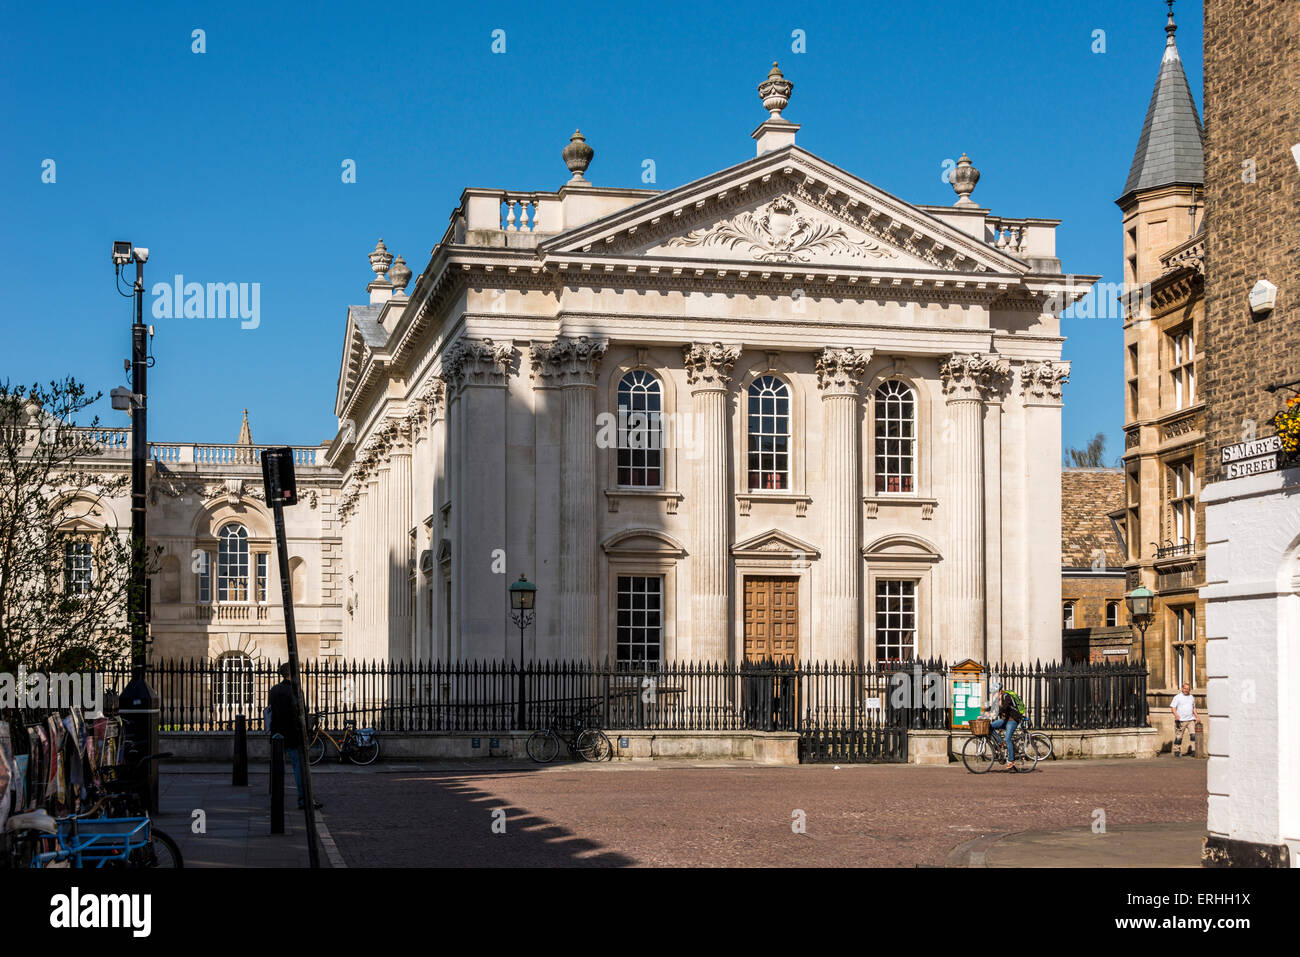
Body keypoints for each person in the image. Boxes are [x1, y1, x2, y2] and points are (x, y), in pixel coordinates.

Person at [267, 663, 322, 810]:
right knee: (300, 769)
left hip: (276, 735)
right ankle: (304, 800)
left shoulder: (274, 690)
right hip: (293, 735)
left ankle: (276, 799)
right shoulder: (296, 690)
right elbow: (300, 715)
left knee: (278, 768)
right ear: (291, 674)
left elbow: (271, 713)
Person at [987, 685, 1024, 772]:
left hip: (1013, 720)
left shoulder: (1007, 697)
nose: (993, 695)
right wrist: (984, 711)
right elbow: (992, 708)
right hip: (1005, 720)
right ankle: (1001, 743)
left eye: (994, 693)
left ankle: (1011, 761)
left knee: (1007, 739)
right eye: (992, 694)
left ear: (1000, 691)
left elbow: (1005, 707)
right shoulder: (998, 699)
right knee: (990, 726)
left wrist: (994, 713)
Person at [1169, 682, 1198, 757]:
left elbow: (1193, 707)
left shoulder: (1192, 697)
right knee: (1179, 737)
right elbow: (1173, 707)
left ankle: (1193, 750)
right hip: (1181, 720)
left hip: (1191, 719)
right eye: (1185, 688)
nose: (1186, 690)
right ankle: (1177, 750)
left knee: (1193, 735)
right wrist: (1176, 715)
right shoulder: (1177, 697)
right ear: (1182, 688)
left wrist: (1197, 716)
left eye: (1188, 689)